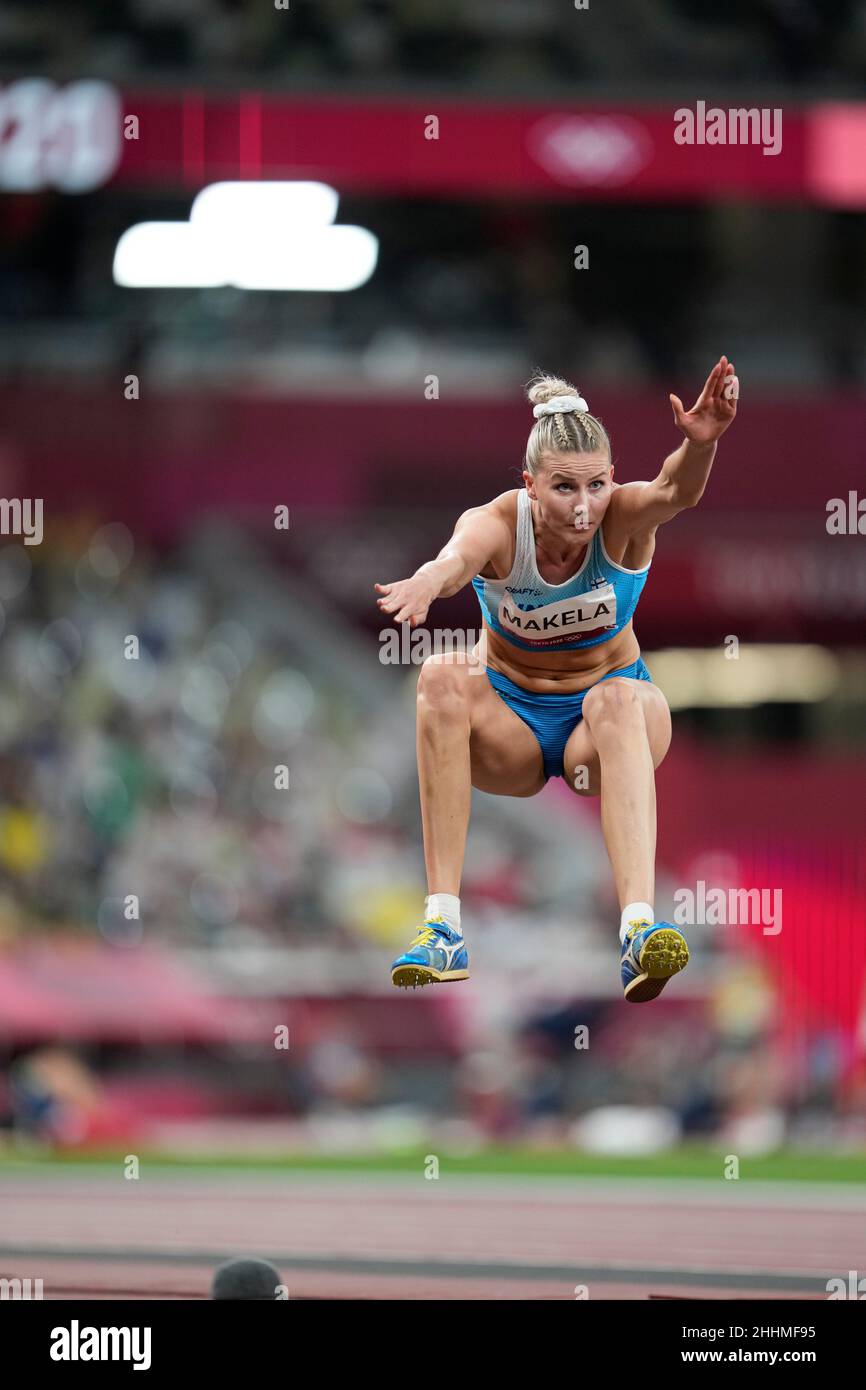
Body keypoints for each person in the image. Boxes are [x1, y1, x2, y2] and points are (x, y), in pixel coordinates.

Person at [374, 358, 739, 1002]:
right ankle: (443, 928)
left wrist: (699, 443)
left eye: (596, 486)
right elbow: (456, 558)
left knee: (617, 697)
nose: (583, 507)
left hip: (603, 735)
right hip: (511, 732)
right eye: (565, 489)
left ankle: (637, 933)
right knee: (438, 675)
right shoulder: (497, 524)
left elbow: (673, 492)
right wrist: (428, 583)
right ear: (530, 486)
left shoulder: (621, 520)